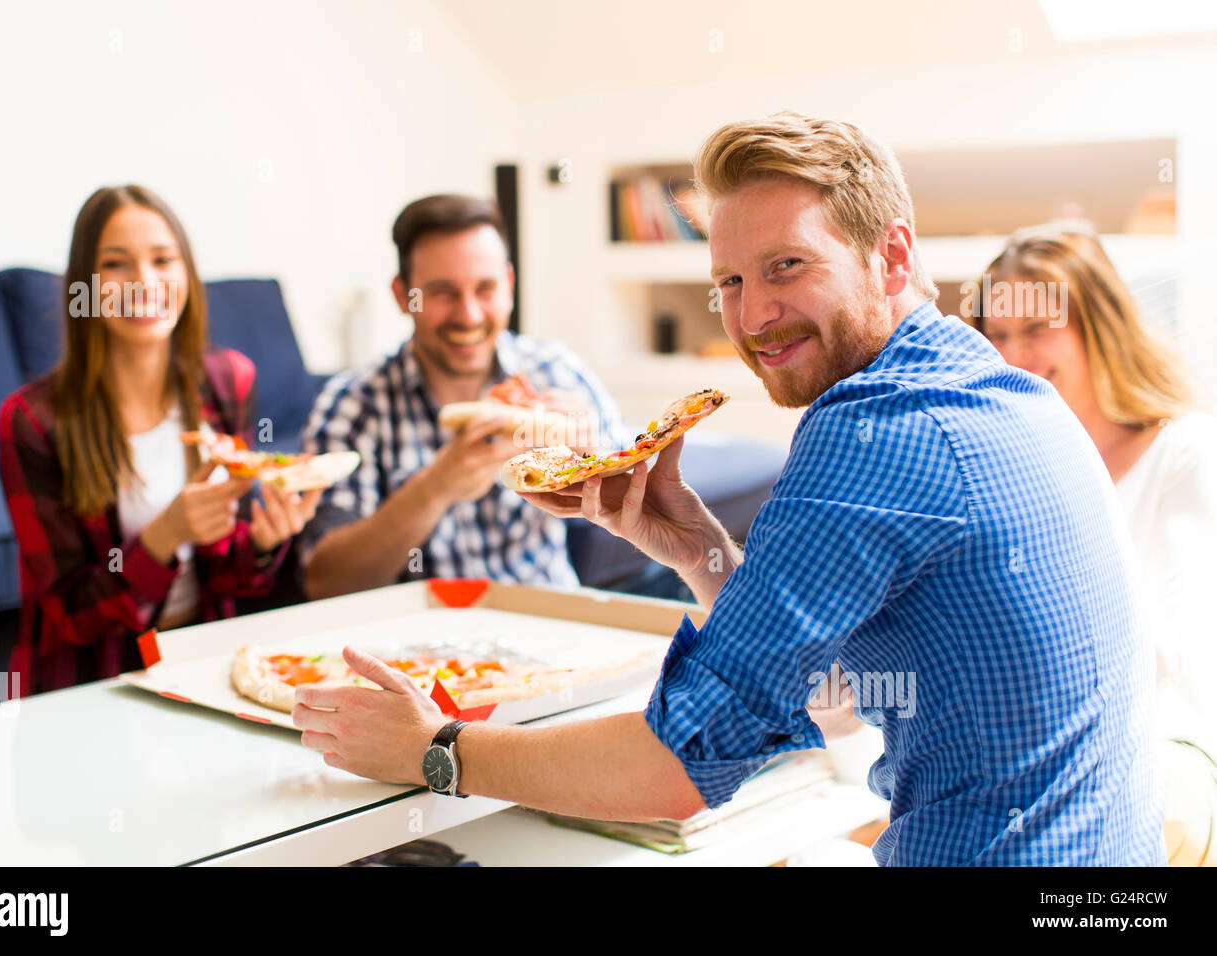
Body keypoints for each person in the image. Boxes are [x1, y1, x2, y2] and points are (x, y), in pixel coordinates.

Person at [291, 112, 1164, 866]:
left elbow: (672, 771)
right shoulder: (1002, 388)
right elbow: (843, 702)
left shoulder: (870, 430)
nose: (751, 320)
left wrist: (435, 751)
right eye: (731, 282)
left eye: (787, 266)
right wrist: (697, 548)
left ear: (891, 255)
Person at [0, 185, 318, 695]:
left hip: (204, 668)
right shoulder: (33, 420)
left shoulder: (228, 380)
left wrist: (262, 542)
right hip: (90, 687)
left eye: (163, 260)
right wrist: (165, 535)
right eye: (116, 265)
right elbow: (73, 617)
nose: (143, 283)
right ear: (85, 283)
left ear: (187, 272)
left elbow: (228, 576)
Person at [971, 224, 1216, 864]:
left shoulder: (1184, 454)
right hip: (1036, 757)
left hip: (1162, 758)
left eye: (1037, 329)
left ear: (1098, 328)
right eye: (998, 336)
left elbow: (1182, 659)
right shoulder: (1014, 470)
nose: (1015, 355)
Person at [300, 194, 633, 599]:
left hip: (552, 626)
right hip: (415, 645)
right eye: (443, 293)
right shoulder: (352, 406)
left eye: (486, 289)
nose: (470, 316)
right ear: (403, 295)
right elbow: (323, 583)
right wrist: (434, 489)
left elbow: (644, 508)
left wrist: (593, 460)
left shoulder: (555, 370)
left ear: (509, 287)